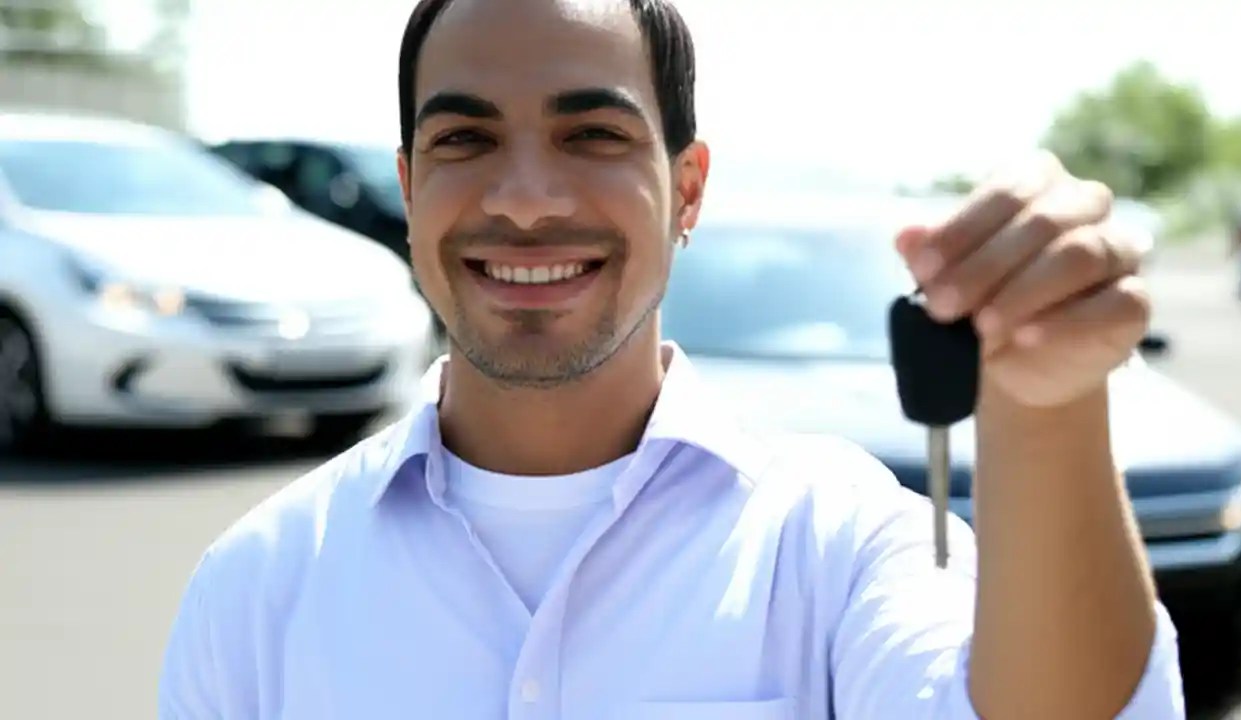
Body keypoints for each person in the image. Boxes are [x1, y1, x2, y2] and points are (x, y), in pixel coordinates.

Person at [158, 0, 1185, 717]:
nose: (523, 199)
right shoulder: (258, 581)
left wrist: (1047, 409)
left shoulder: (832, 539)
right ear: (409, 185)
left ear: (686, 188)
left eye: (592, 135)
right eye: (464, 141)